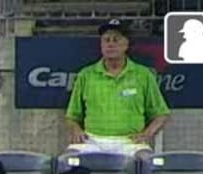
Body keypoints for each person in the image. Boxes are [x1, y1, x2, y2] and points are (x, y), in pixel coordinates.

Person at [63, 19, 171, 159]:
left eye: (116, 40)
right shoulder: (86, 75)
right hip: (92, 141)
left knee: (147, 161)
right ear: (101, 45)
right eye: (106, 40)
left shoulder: (143, 75)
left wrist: (147, 134)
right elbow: (72, 116)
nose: (110, 44)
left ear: (126, 44)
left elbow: (161, 114)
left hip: (130, 142)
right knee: (67, 160)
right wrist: (76, 129)